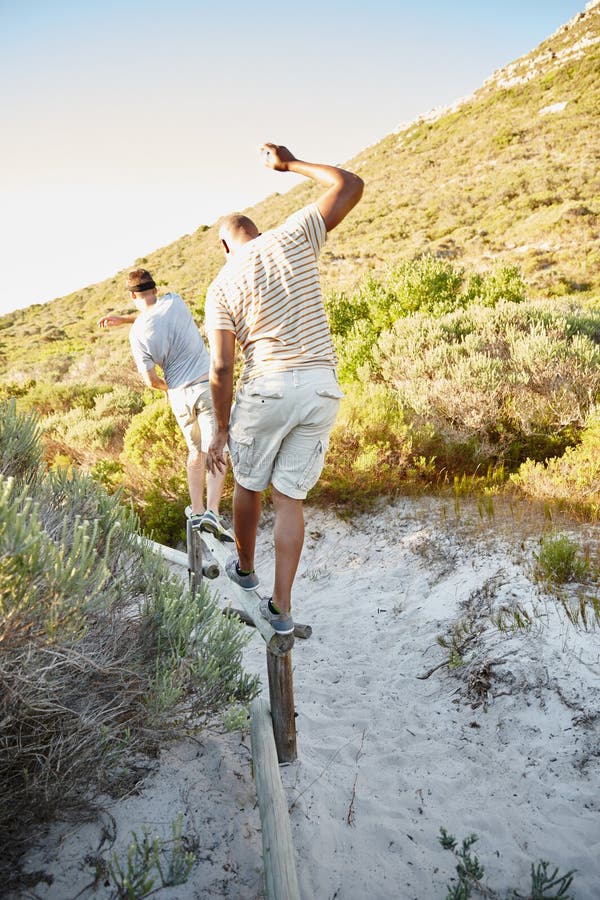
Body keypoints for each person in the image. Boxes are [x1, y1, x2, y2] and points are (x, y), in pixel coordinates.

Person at [205, 142, 363, 634]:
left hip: (269, 386)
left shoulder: (222, 284)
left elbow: (222, 368)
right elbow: (349, 185)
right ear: (254, 231)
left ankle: (247, 572)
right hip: (321, 387)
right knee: (289, 499)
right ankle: (282, 607)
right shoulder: (294, 234)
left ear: (226, 246)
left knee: (249, 484)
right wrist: (289, 164)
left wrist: (221, 428)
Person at [98, 268, 232, 539]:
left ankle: (196, 511)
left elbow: (150, 379)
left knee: (196, 452)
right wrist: (126, 319)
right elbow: (157, 314)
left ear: (133, 295)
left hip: (179, 397)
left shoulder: (136, 335)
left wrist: (168, 388)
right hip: (205, 387)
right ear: (155, 289)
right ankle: (214, 514)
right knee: (217, 449)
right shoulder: (175, 302)